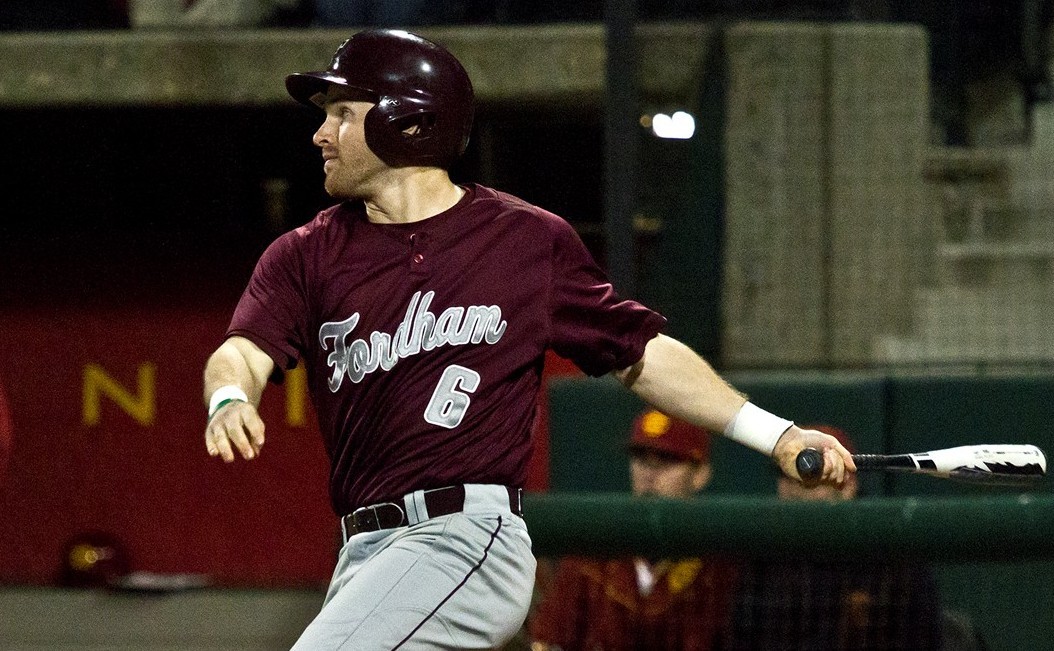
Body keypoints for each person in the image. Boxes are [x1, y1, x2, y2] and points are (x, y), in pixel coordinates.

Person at [201, 28, 855, 651]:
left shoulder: (523, 241)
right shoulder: (305, 255)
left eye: (342, 111)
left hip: (463, 535)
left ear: (405, 120)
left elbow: (642, 354)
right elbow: (242, 352)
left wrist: (777, 433)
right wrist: (228, 396)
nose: (321, 133)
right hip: (364, 553)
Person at [528, 409, 739, 651]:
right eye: (641, 459)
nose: (649, 474)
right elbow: (546, 639)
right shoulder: (593, 550)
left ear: (700, 473)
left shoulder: (721, 560)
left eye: (667, 460)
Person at [721, 425, 943, 651]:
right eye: (785, 476)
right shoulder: (761, 561)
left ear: (848, 485)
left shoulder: (890, 559)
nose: (791, 487)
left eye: (809, 477)